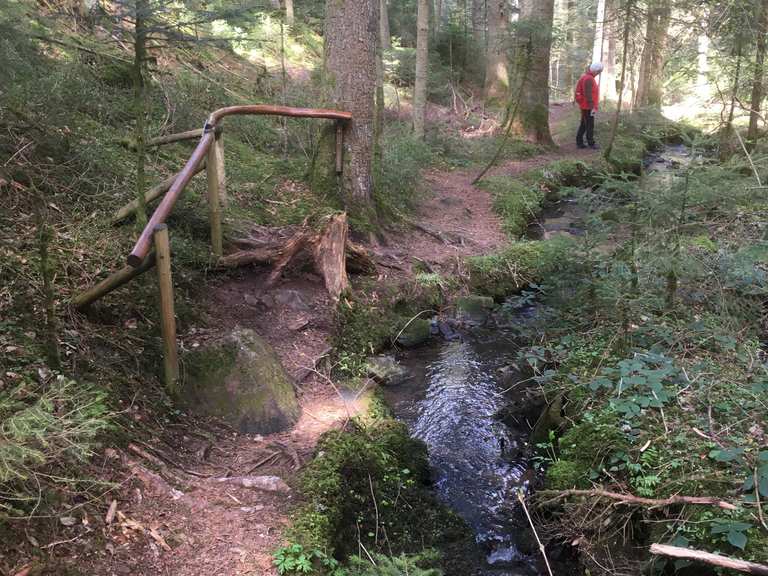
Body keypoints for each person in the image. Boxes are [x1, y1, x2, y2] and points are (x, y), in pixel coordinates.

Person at [574, 62, 604, 149]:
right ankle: (591, 143)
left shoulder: (586, 77)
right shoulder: (589, 79)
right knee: (590, 125)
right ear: (595, 71)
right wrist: (592, 107)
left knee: (584, 124)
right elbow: (588, 94)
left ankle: (579, 142)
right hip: (587, 107)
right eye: (598, 72)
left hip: (585, 106)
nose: (598, 74)